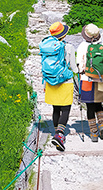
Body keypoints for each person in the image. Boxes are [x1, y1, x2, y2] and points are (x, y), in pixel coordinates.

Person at [75, 23, 103, 142]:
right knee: (98, 103)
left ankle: (93, 133)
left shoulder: (83, 46)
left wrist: (81, 70)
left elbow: (79, 63)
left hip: (86, 79)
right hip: (101, 79)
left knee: (90, 106)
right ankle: (102, 125)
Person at [40, 21, 74, 151]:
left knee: (56, 108)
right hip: (65, 80)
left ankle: (56, 132)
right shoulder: (68, 47)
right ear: (63, 35)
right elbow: (73, 67)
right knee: (65, 109)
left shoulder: (45, 46)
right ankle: (59, 135)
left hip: (50, 80)